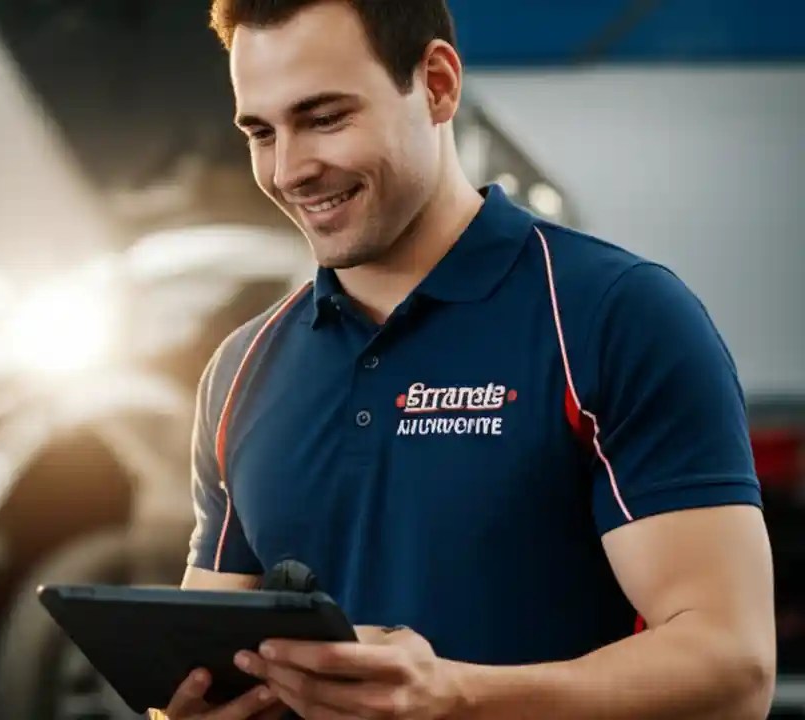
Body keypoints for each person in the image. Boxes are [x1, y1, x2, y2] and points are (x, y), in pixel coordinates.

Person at [160, 1, 777, 718]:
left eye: (325, 118)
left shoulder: (615, 316)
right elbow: (198, 664)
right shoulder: (240, 369)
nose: (291, 168)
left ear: (438, 85)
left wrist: (459, 699)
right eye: (261, 132)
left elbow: (732, 668)